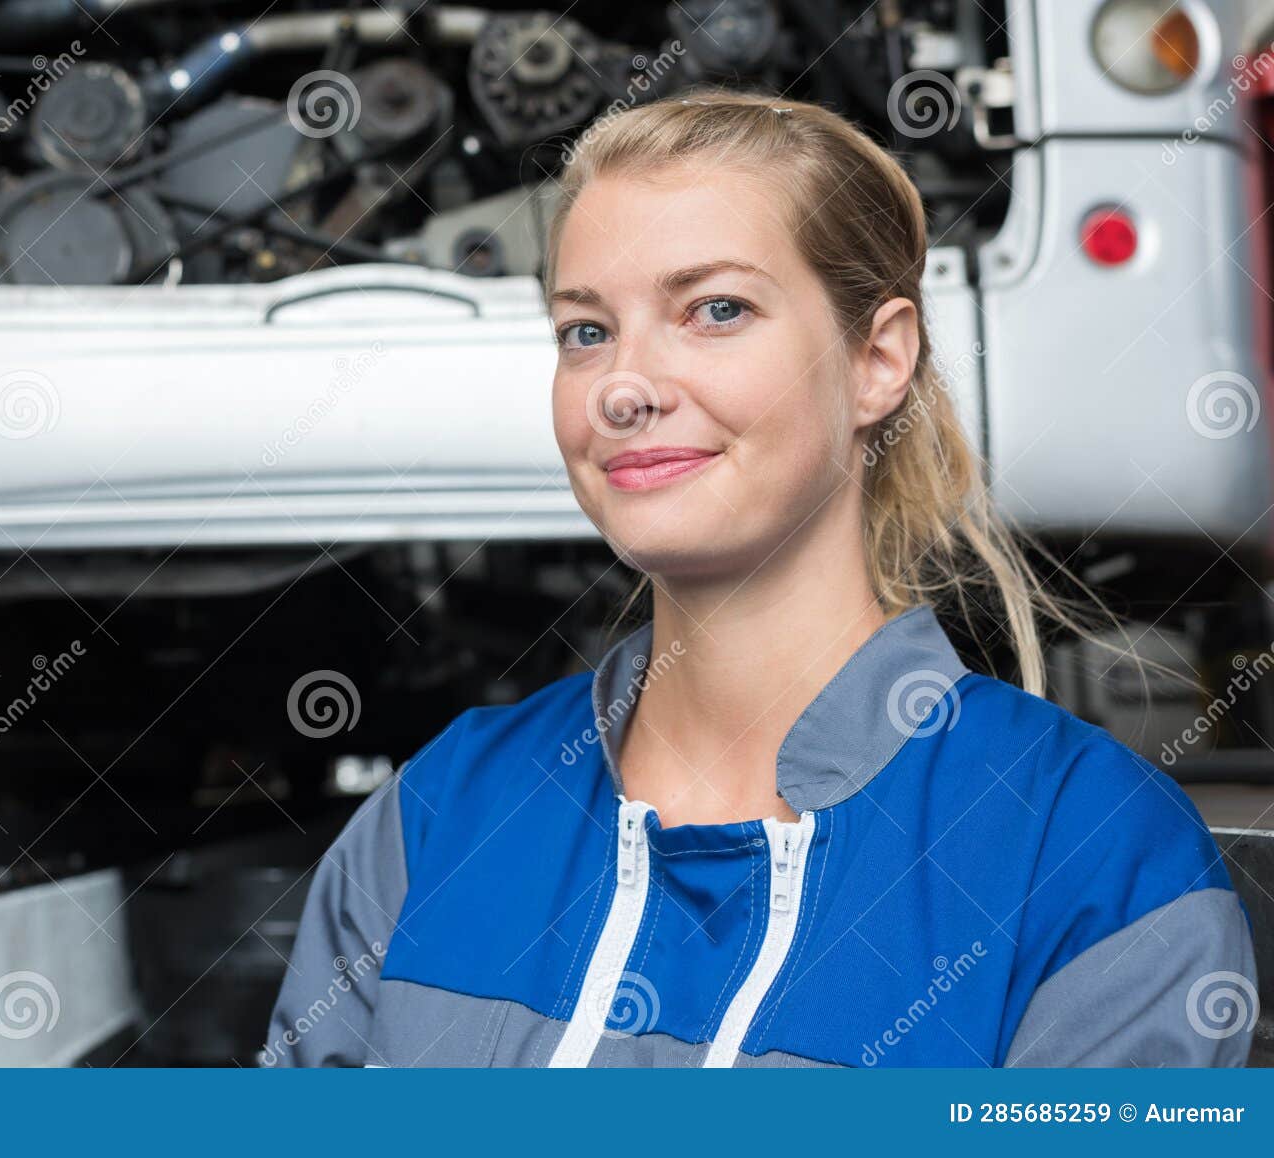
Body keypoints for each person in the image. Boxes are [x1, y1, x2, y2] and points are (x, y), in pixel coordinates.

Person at [262, 89, 1259, 1067]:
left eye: (715, 310)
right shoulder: (438, 815)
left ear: (876, 360)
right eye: (585, 330)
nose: (622, 387)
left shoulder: (1091, 856)